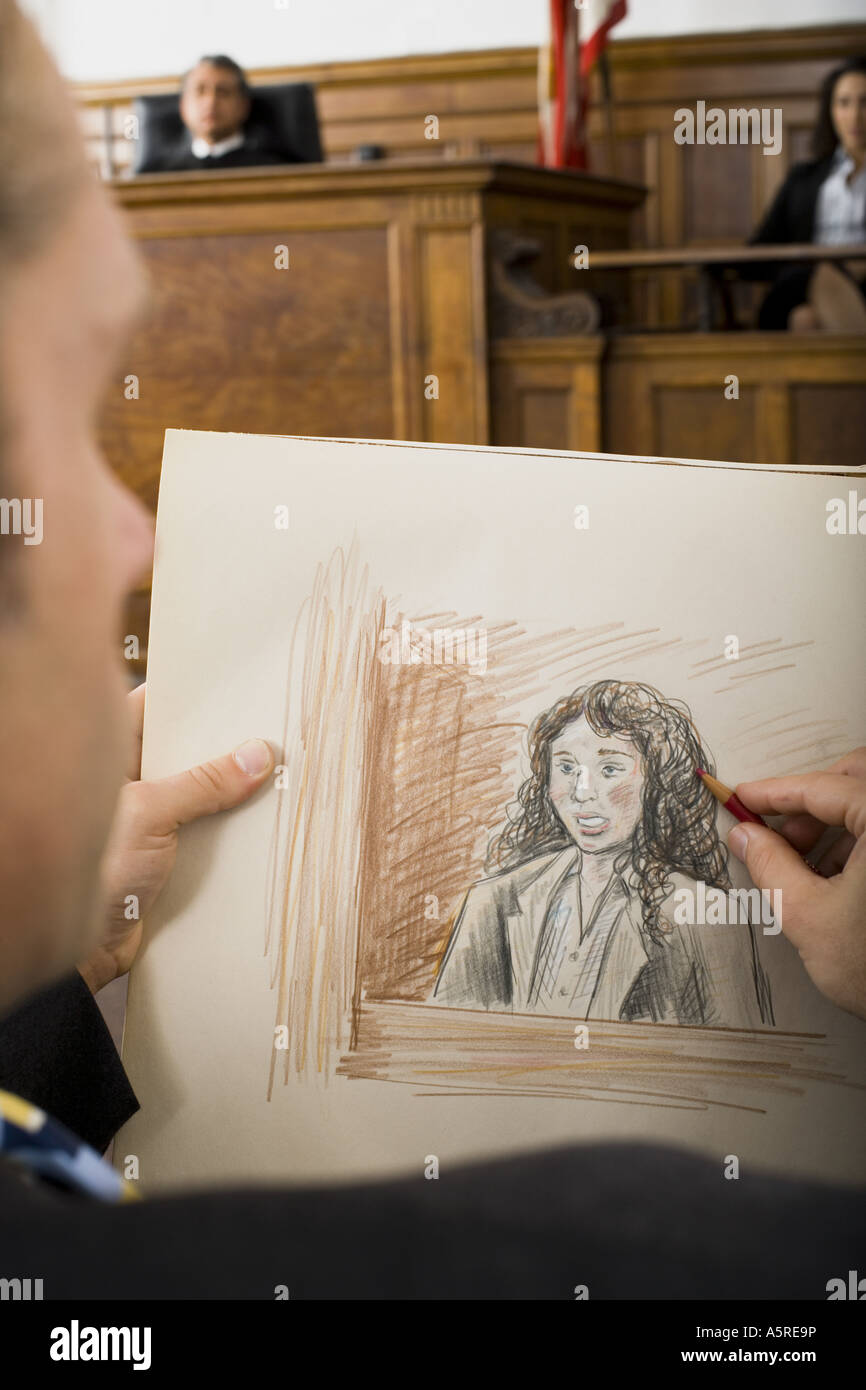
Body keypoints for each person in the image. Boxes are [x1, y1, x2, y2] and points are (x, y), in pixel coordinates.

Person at [0, 0, 864, 1299]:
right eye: (50, 419)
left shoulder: (719, 922)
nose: (136, 539)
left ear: (664, 776)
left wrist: (52, 976)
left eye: (611, 770)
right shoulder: (627, 1227)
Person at [433, 681, 772, 1028]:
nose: (581, 793)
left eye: (610, 770)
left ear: (658, 783)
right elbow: (448, 1041)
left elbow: (739, 1060)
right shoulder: (492, 902)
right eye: (565, 768)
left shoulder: (705, 914)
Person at [749, 56, 866, 330]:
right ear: (830, 110)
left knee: (809, 317)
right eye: (844, 103)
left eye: (865, 102)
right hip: (807, 284)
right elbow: (758, 252)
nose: (855, 115)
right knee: (804, 314)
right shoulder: (804, 179)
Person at [154, 54, 289, 171]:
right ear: (183, 107)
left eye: (223, 92)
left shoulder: (274, 171)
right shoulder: (156, 176)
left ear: (243, 105)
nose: (211, 101)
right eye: (200, 91)